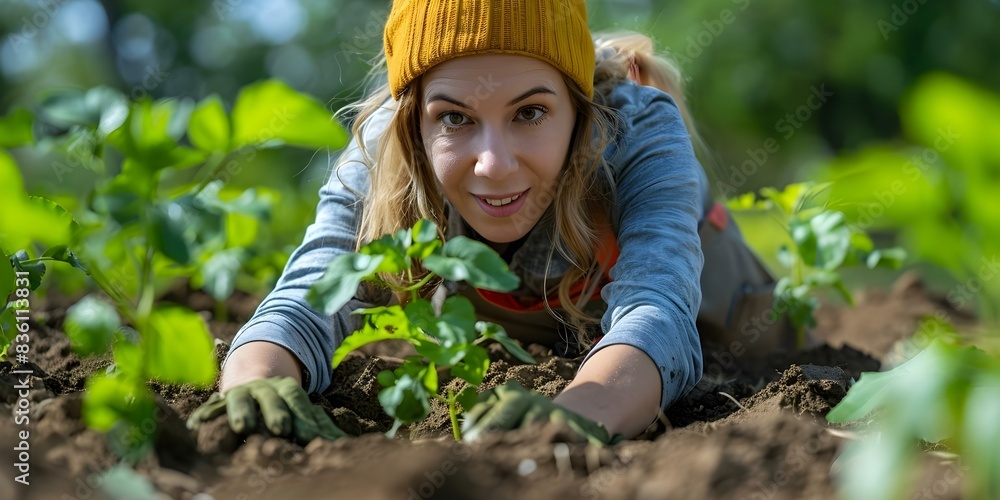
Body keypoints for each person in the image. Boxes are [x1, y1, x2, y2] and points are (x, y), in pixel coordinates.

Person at [188, 0, 793, 444]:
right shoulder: (384, 144)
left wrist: (581, 410)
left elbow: (658, 310)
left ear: (580, 112)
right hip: (554, 338)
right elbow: (309, 294)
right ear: (414, 124)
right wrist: (254, 378)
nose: (494, 164)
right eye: (454, 119)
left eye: (530, 112)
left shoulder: (636, 129)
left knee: (756, 344)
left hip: (715, 314)